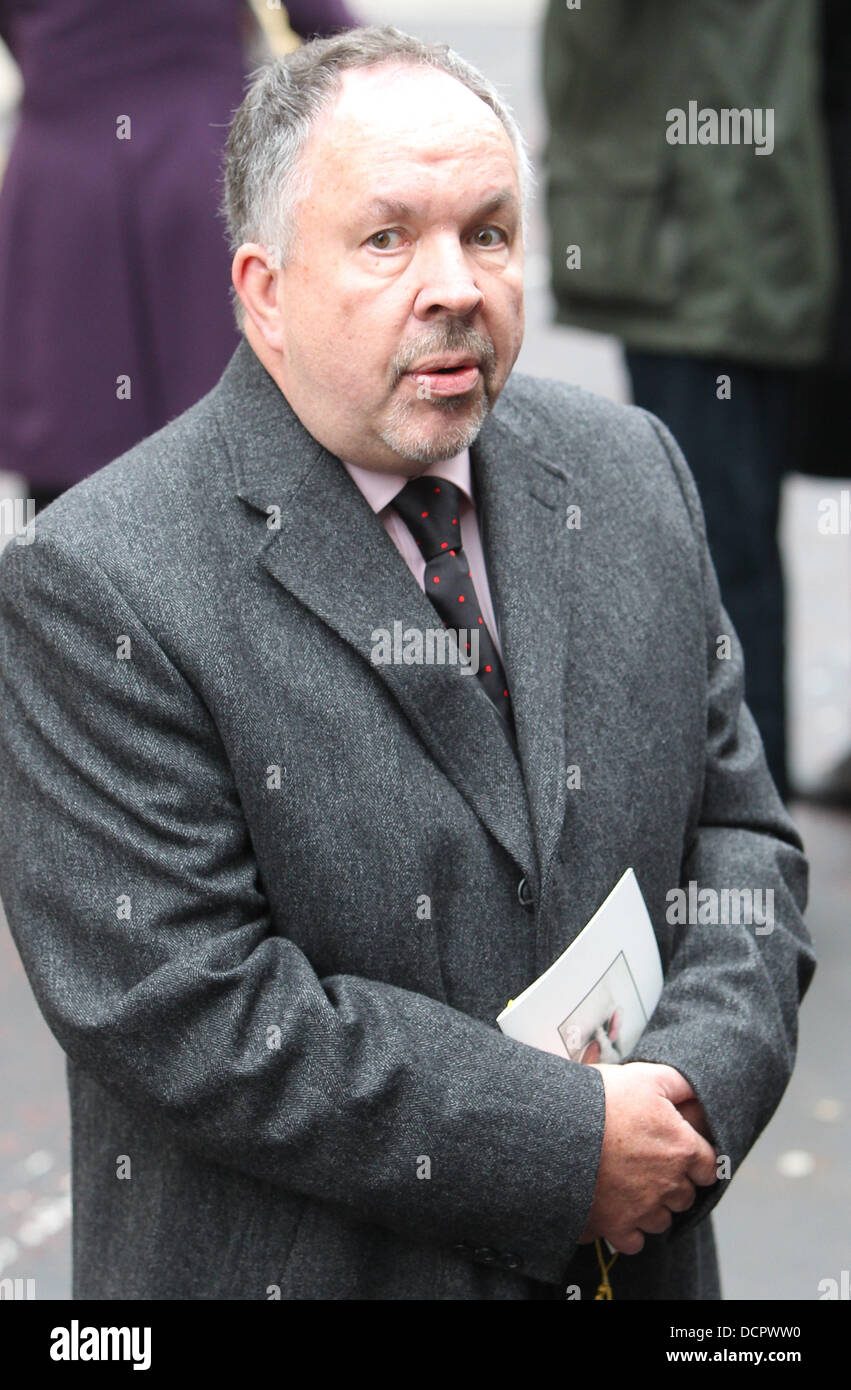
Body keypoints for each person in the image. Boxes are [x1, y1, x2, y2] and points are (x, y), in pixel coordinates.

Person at [0, 26, 815, 1301]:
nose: (454, 286)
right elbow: (190, 1006)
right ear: (261, 288)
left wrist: (687, 1092)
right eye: (386, 240)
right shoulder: (98, 580)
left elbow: (740, 843)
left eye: (487, 232)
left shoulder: (630, 470)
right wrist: (568, 1147)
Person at [540, 0, 838, 804]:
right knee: (721, 542)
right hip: (741, 217)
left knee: (714, 551)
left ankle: (743, 844)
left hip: (723, 229)